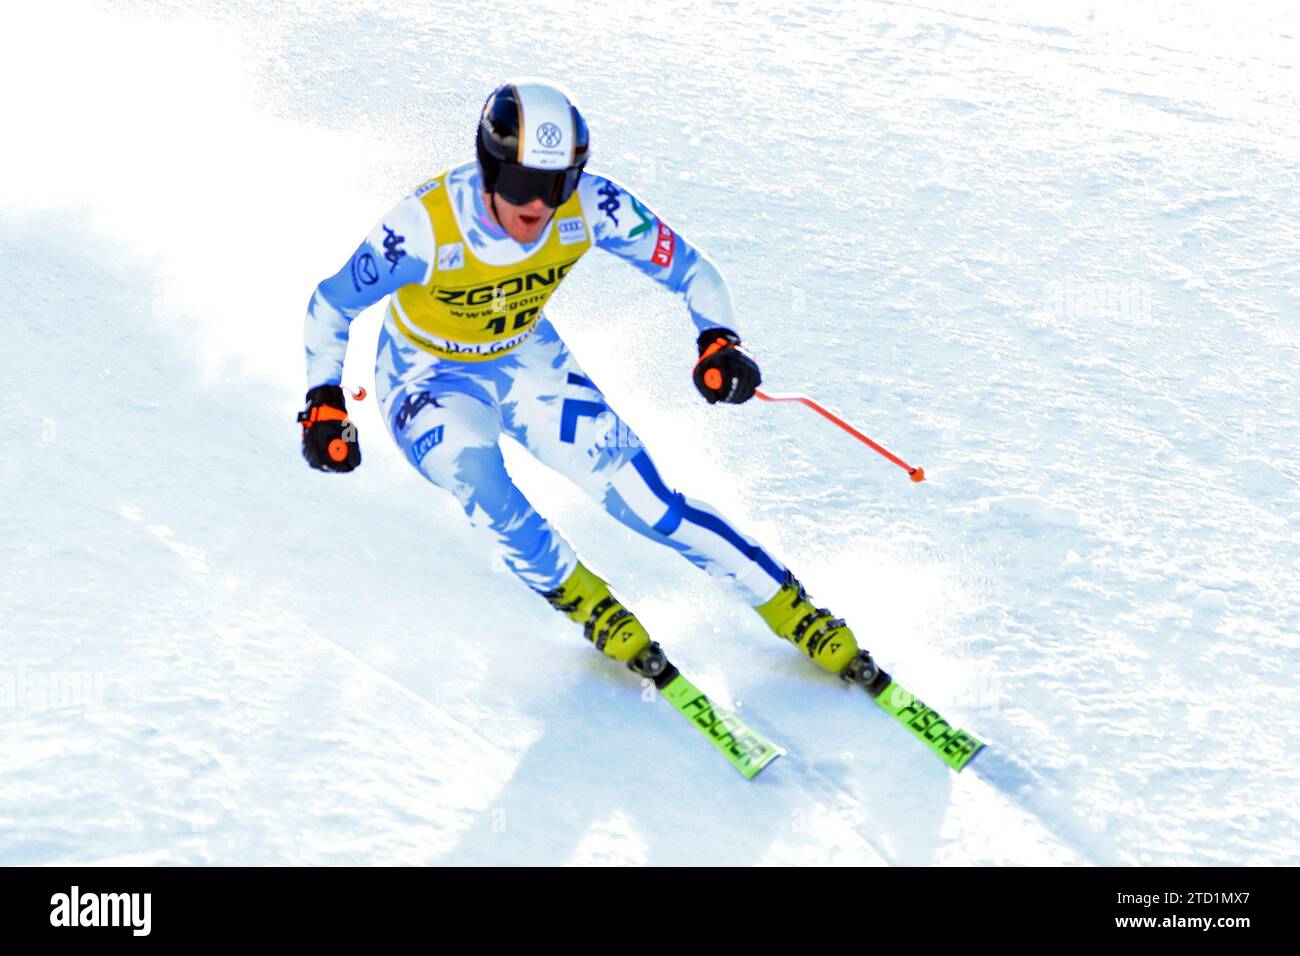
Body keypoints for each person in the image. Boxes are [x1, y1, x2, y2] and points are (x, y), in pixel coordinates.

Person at [297, 78, 879, 687]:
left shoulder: (592, 207)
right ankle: (582, 598)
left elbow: (693, 271)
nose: (540, 206)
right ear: (490, 169)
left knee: (653, 506)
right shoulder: (424, 227)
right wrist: (324, 402)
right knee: (484, 484)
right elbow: (332, 304)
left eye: (558, 184)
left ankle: (789, 606)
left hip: (525, 360)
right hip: (423, 377)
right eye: (523, 183)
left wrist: (718, 339)